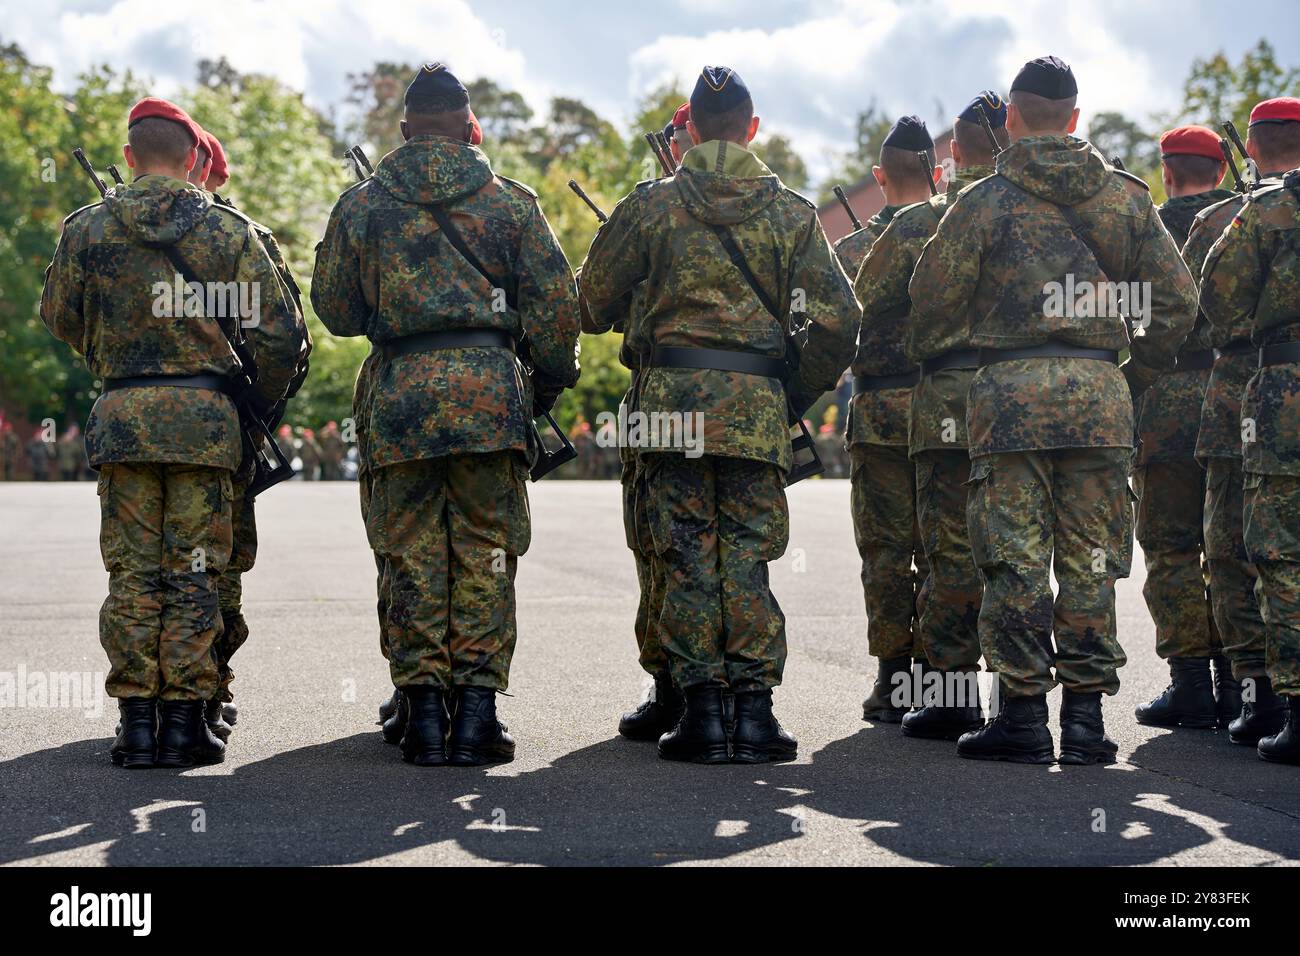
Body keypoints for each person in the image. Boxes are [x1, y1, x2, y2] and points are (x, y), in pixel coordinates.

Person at [909, 56, 1197, 764]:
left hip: (1009, 398)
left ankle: (1024, 716)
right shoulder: (1126, 198)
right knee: (1093, 559)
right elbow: (1178, 303)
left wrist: (975, 350)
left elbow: (930, 304)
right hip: (1099, 397)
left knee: (1015, 559)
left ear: (1011, 118)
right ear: (1074, 115)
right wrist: (1130, 372)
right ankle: (1089, 722)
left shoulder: (982, 201)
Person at [580, 65, 857, 764]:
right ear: (753, 128)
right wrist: (788, 391)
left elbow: (587, 306)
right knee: (747, 556)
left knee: (684, 555)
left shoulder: (650, 207)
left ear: (692, 130)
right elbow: (839, 319)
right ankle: (756, 715)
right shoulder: (792, 214)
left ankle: (701, 711)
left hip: (669, 409)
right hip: (756, 409)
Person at [312, 63, 580, 767]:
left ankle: (424, 713)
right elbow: (556, 315)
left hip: (400, 396)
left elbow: (336, 312)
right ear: (469, 127)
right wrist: (542, 389)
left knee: (409, 555)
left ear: (405, 130)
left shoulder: (363, 205)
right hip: (491, 397)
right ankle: (479, 717)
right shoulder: (513, 205)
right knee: (488, 556)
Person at [40, 96, 303, 768]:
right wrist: (254, 408)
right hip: (206, 425)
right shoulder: (229, 232)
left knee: (132, 572)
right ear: (194, 160)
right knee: (194, 571)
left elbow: (59, 316)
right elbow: (278, 336)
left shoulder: (86, 230)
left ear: (129, 158)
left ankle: (135, 723)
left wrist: (120, 360)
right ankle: (186, 723)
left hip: (125, 420)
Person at [1181, 109, 1298, 747]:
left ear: (1249, 148)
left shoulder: (1242, 217)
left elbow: (1211, 305)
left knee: (1245, 553)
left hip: (1255, 402)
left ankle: (1260, 699)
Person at [896, 92, 1011, 739]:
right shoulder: (1037, 208)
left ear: (953, 151)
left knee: (947, 550)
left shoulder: (929, 217)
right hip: (1015, 400)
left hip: (945, 399)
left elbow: (877, 300)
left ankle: (950, 695)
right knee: (1014, 548)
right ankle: (1017, 698)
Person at [190, 128, 312, 737]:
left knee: (145, 571)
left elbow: (68, 319)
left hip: (139, 426)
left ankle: (152, 713)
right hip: (221, 425)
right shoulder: (242, 238)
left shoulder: (99, 227)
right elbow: (290, 340)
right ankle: (201, 693)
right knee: (213, 563)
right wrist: (259, 404)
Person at [1132, 125, 1238, 731]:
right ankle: (1244, 682)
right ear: (1221, 172)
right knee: (1230, 545)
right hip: (1229, 394)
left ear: (1166, 172)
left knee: (1171, 545)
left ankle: (1191, 682)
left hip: (1164, 396)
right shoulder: (1245, 220)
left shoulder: (1144, 228)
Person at [847, 115, 937, 724]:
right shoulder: (956, 229)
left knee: (885, 549)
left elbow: (823, 329)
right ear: (935, 171)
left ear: (880, 177)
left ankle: (892, 678)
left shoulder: (853, 251)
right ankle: (941, 676)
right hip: (944, 409)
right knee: (943, 544)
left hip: (878, 409)